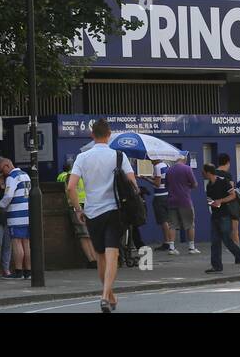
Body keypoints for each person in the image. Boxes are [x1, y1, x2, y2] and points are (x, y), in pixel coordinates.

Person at [68, 119, 136, 312]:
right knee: (112, 254)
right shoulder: (119, 156)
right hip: (115, 210)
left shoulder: (82, 158)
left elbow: (71, 186)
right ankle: (107, 295)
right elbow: (133, 185)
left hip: (92, 212)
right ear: (109, 135)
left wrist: (78, 209)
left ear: (92, 135)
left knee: (100, 257)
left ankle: (108, 295)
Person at [203, 158, 240, 274]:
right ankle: (217, 266)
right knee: (215, 241)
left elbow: (233, 195)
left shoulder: (223, 182)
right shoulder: (209, 185)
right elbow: (209, 199)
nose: (202, 174)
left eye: (203, 172)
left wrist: (220, 201)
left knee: (227, 240)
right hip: (215, 215)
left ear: (208, 172)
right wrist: (211, 203)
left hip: (224, 215)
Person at [0, 157, 32, 279]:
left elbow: (8, 196)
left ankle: (18, 271)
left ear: (7, 165)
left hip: (16, 215)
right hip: (28, 214)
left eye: (2, 170)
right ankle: (28, 271)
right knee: (26, 243)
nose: (2, 174)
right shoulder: (26, 175)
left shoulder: (12, 178)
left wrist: (0, 205)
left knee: (17, 242)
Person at [164, 153, 200, 255]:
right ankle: (191, 248)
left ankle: (171, 248)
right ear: (184, 159)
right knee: (190, 224)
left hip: (171, 200)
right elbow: (194, 184)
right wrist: (187, 186)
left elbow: (166, 185)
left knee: (172, 225)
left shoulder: (169, 170)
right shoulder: (187, 169)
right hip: (185, 200)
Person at [148, 157, 174, 251]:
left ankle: (167, 242)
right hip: (167, 194)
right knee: (168, 220)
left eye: (151, 159)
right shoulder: (167, 165)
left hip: (159, 196)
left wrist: (147, 180)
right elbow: (162, 179)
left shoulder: (157, 167)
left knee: (163, 221)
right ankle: (171, 242)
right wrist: (147, 177)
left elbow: (157, 183)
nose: (150, 161)